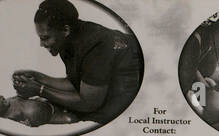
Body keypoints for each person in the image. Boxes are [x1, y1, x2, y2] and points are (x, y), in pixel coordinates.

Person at [8, 0, 142, 128]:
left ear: (66, 30)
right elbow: (77, 84)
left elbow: (89, 103)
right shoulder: (68, 38)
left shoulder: (95, 46)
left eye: (45, 38)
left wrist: (40, 90)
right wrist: (37, 77)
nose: (41, 44)